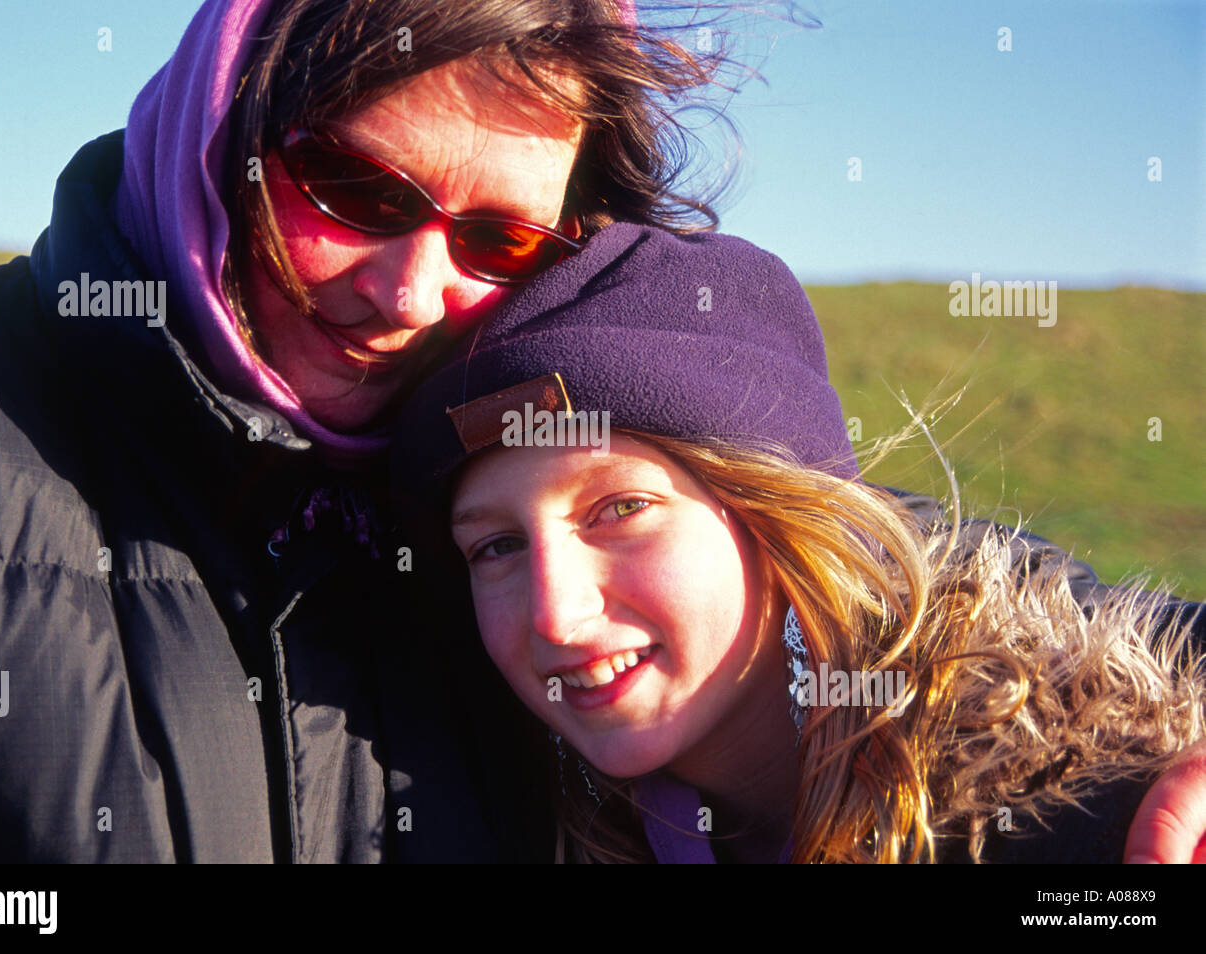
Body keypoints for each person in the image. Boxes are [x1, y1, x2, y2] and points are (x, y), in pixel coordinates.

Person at [0, 0, 725, 862]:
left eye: (504, 241)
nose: (408, 297)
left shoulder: (532, 479)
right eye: (358, 189)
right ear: (228, 126)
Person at [393, 222, 1206, 862]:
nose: (556, 616)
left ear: (775, 515)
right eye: (496, 547)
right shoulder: (532, 817)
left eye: (622, 508)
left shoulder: (1091, 824)